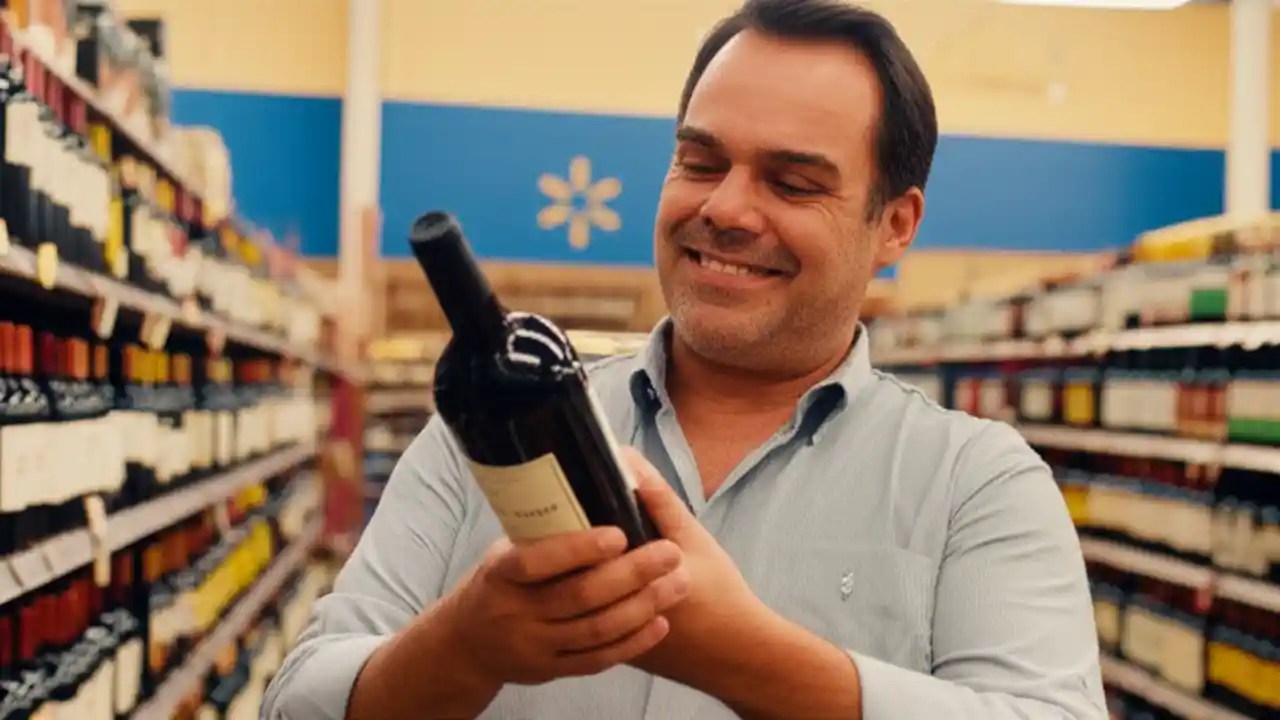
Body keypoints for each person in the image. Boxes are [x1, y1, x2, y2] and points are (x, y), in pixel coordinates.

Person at [262, 0, 1106, 717]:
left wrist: (741, 653)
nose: (728, 209)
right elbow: (299, 697)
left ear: (894, 224)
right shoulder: (483, 441)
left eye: (793, 182)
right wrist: (462, 645)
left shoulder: (977, 484)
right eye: (700, 162)